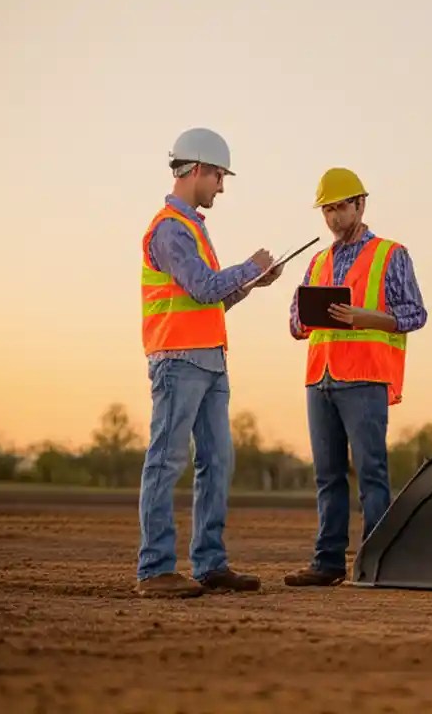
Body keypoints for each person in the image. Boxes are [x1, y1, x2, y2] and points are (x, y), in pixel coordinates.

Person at [135, 127, 284, 598]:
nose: (221, 185)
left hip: (210, 362)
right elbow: (202, 287)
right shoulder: (170, 230)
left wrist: (250, 283)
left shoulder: (194, 229)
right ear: (196, 170)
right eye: (218, 175)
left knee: (218, 461)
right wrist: (247, 266)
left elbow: (210, 301)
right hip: (178, 362)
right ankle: (155, 569)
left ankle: (210, 563)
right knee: (167, 460)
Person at [282, 167, 428, 587]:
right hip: (321, 378)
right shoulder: (317, 261)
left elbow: (415, 314)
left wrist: (367, 318)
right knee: (327, 476)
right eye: (326, 210)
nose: (332, 218)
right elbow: (295, 322)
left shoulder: (390, 254)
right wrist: (303, 319)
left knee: (371, 474)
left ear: (361, 205)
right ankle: (327, 563)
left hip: (364, 378)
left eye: (339, 208)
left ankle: (376, 565)